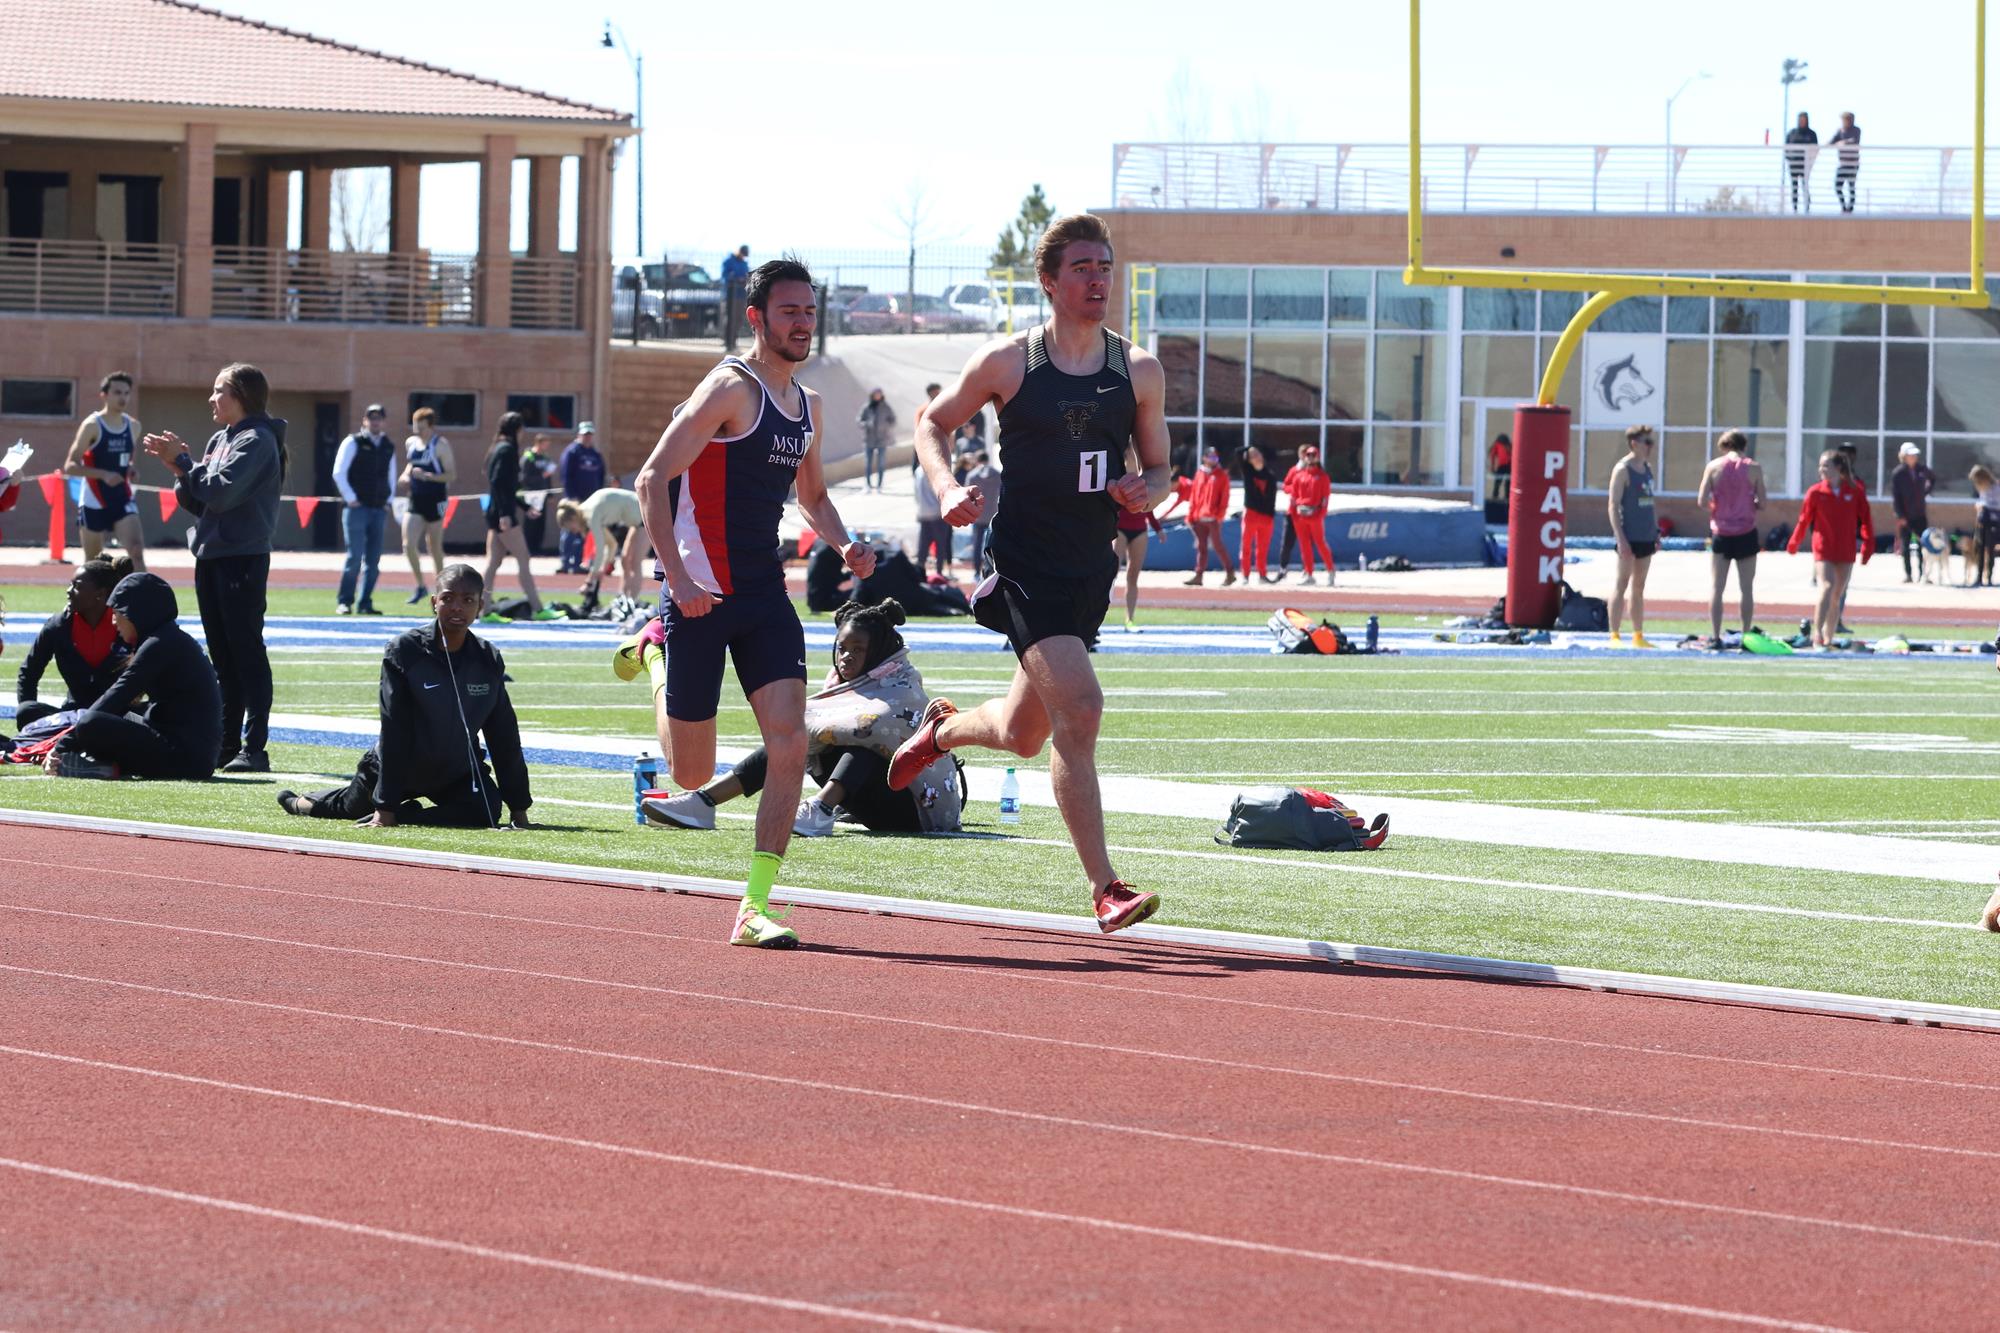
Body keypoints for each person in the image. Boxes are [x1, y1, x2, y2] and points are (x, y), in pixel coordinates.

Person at [886, 212, 1171, 935]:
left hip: (1087, 572)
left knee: (1019, 733)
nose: (1097, 278)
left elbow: (1161, 466)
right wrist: (948, 488)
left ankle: (943, 730)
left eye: (1105, 265)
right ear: (1048, 281)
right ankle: (1105, 885)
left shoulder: (1137, 370)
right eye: (1081, 267)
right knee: (1081, 710)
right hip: (1023, 565)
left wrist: (1148, 489)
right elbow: (930, 422)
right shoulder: (1009, 362)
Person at [631, 257, 876, 948]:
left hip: (765, 594)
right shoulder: (728, 388)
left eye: (808, 312)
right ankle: (654, 652)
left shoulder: (808, 406)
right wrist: (676, 581)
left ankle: (754, 905)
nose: (802, 323)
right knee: (689, 772)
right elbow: (653, 479)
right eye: (789, 311)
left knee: (791, 739)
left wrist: (847, 544)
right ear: (757, 318)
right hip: (701, 595)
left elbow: (814, 497)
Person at [646, 599, 958, 836]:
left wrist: (802, 728)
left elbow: (877, 723)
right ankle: (704, 802)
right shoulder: (841, 683)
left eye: (858, 650)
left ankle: (819, 810)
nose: (846, 656)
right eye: (842, 648)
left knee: (864, 738)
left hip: (912, 810)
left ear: (878, 652)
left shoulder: (902, 684)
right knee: (794, 738)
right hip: (868, 800)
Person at [277, 565, 532, 828]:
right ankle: (305, 803)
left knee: (484, 812)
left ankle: (408, 815)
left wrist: (519, 809)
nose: (457, 607)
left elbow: (504, 736)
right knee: (348, 808)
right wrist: (385, 807)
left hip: (455, 770)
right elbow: (394, 727)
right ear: (434, 602)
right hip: (397, 767)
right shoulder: (404, 650)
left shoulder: (487, 657)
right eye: (448, 598)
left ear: (480, 605)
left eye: (467, 600)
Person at [142, 362, 284, 774]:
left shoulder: (257, 439)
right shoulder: (222, 438)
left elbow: (220, 494)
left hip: (242, 557)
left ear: (241, 395)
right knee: (222, 656)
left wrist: (186, 463)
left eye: (219, 390)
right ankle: (226, 743)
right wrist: (180, 471)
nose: (211, 398)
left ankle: (254, 748)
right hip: (211, 554)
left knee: (246, 654)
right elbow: (200, 501)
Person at [43, 571, 221, 782]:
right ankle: (105, 766)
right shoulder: (167, 638)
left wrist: (62, 746)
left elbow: (118, 694)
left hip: (185, 757)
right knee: (118, 715)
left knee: (91, 723)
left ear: (137, 612)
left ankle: (101, 767)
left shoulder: (160, 643)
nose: (113, 621)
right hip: (191, 753)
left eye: (118, 612)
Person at [14, 556, 133, 729]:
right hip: (73, 716)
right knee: (27, 711)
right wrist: (30, 728)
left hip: (117, 716)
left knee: (150, 715)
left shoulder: (126, 624)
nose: (68, 591)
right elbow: (29, 672)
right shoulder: (58, 625)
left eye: (77, 586)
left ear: (100, 594)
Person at [1787, 449, 1873, 648]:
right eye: (1820, 466)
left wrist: (1868, 546)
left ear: (1839, 468)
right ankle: (1817, 633)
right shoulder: (1816, 492)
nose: (1822, 470)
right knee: (1826, 586)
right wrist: (1794, 542)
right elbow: (1804, 519)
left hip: (1845, 549)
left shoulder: (1855, 491)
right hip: (1824, 547)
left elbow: (1866, 520)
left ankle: (1829, 637)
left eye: (1826, 466)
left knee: (1837, 594)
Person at [65, 372, 147, 570]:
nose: (122, 398)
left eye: (126, 393)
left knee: (136, 551)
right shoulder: (92, 425)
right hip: (94, 499)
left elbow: (125, 460)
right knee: (94, 563)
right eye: (117, 392)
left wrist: (131, 470)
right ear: (104, 395)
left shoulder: (133, 426)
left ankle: (143, 599)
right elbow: (70, 466)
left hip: (122, 497)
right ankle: (93, 600)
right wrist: (103, 474)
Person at [1696, 429, 1767, 646]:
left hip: (1722, 532)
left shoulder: (1713, 466)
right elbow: (1762, 502)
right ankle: (1745, 636)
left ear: (1724, 446)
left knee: (1717, 587)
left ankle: (1716, 636)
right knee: (1746, 588)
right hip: (1746, 531)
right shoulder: (1753, 468)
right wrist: (1748, 505)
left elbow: (1701, 500)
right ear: (1743, 445)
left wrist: (1718, 508)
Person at [333, 402, 398, 615]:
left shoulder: (388, 445)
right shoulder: (353, 442)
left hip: (378, 508)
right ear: (365, 420)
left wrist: (389, 500)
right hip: (357, 509)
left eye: (378, 417)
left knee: (374, 560)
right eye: (371, 418)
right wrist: (351, 498)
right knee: (354, 557)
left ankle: (365, 602)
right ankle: (345, 601)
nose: (375, 421)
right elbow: (339, 472)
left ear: (383, 421)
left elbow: (391, 475)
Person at [482, 411, 543, 616]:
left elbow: (506, 488)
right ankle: (537, 608)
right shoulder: (506, 450)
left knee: (493, 563)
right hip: (502, 514)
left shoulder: (497, 448)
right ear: (517, 430)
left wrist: (525, 507)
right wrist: (505, 514)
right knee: (523, 558)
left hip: (496, 511)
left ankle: (485, 609)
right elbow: (498, 483)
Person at [1605, 424, 1659, 648]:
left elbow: (1650, 504)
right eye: (1647, 442)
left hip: (1646, 536)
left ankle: (1638, 635)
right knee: (1622, 584)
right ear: (1634, 443)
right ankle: (1615, 635)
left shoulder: (1647, 467)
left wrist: (1656, 532)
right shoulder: (1622, 469)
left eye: (1651, 442)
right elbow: (1613, 505)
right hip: (1628, 536)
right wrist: (1621, 538)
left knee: (1639, 587)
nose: (1650, 447)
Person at [555, 487, 652, 602]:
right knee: (625, 560)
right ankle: (623, 598)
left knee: (634, 561)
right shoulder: (589, 512)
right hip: (638, 520)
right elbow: (612, 545)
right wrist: (602, 568)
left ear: (573, 518)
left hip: (647, 514)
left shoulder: (591, 515)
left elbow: (600, 550)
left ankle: (632, 601)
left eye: (571, 528)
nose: (573, 532)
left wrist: (589, 580)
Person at [400, 406, 454, 604]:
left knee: (434, 546)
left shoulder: (441, 445)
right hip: (415, 498)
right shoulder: (411, 443)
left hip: (436, 499)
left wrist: (429, 476)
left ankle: (442, 589)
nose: (418, 432)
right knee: (408, 544)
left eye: (421, 428)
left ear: (431, 427)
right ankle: (420, 585)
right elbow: (411, 464)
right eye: (415, 427)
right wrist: (405, 476)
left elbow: (451, 475)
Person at [1166, 447, 1237, 587]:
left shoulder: (1221, 475)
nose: (1213, 460)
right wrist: (1191, 515)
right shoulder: (1199, 473)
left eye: (1215, 458)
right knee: (1201, 547)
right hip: (1199, 517)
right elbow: (1194, 496)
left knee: (1218, 546)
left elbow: (1224, 497)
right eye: (1210, 457)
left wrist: (1219, 515)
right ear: (1204, 458)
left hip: (1213, 518)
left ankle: (1230, 573)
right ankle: (1199, 575)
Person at [557, 422, 606, 573]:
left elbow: (601, 475)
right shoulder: (572, 452)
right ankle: (565, 563)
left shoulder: (595, 454)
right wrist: (571, 498)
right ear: (579, 434)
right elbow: (565, 476)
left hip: (590, 501)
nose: (587, 437)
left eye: (590, 434)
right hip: (574, 500)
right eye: (585, 434)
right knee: (569, 531)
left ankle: (579, 562)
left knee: (584, 532)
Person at [1284, 444, 1334, 586]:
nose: (1311, 458)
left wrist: (1320, 514)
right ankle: (1308, 573)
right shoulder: (1299, 476)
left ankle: (1330, 571)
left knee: (1320, 543)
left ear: (1317, 457)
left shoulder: (1323, 477)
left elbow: (1325, 498)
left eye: (1313, 455)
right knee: (1304, 545)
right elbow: (1293, 496)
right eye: (1308, 455)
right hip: (1300, 515)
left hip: (1315, 514)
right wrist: (1294, 514)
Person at [1890, 442, 1935, 582]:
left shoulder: (1922, 470)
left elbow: (1932, 479)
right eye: (1910, 455)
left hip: (1920, 513)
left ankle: (1924, 574)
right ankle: (1908, 574)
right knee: (1906, 545)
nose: (1913, 457)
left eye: (1915, 455)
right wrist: (1900, 515)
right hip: (1905, 514)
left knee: (1924, 544)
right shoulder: (1898, 473)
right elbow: (1895, 496)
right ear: (1904, 456)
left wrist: (1925, 492)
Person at [1237, 444, 1279, 583]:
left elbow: (1272, 498)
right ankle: (1245, 575)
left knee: (1262, 548)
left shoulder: (1270, 475)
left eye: (1257, 453)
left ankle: (1262, 574)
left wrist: (1270, 515)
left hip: (1266, 516)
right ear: (1248, 459)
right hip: (1251, 513)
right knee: (1246, 546)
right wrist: (1249, 449)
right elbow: (1238, 453)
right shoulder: (1248, 471)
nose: (1256, 456)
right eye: (1252, 455)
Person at [911, 454, 953, 578]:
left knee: (923, 546)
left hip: (923, 512)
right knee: (941, 545)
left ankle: (919, 574)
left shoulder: (918, 471)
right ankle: (939, 573)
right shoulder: (934, 471)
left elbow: (916, 494)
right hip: (937, 513)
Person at [963, 447, 1002, 572]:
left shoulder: (972, 475)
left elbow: (967, 496)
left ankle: (976, 570)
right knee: (994, 544)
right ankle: (994, 569)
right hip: (993, 513)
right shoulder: (997, 474)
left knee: (977, 544)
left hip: (977, 514)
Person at [520, 432, 558, 556]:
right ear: (538, 443)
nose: (547, 446)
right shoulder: (529, 457)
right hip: (531, 493)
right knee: (531, 521)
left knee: (540, 521)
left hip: (542, 494)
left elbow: (548, 478)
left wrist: (550, 494)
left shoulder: (545, 458)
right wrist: (541, 476)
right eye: (545, 443)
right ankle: (527, 548)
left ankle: (537, 547)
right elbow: (523, 477)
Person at [858, 387, 896, 492]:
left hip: (882, 440)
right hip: (869, 440)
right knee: (868, 463)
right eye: (876, 394)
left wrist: (885, 426)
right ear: (872, 395)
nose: (878, 395)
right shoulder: (867, 407)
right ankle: (868, 485)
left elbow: (893, 420)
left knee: (881, 463)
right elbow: (859, 420)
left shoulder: (885, 407)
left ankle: (879, 485)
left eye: (880, 393)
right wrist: (866, 425)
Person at [1971, 464, 2000, 587]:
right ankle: (1978, 576)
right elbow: (1982, 500)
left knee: (1990, 548)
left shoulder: (1996, 487)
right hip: (1983, 521)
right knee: (1980, 548)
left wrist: (1987, 506)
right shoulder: (1982, 488)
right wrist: (1979, 505)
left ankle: (1989, 576)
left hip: (1994, 521)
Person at [1829, 111, 1862, 214]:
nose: (1845, 122)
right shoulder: (1840, 131)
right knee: (1837, 186)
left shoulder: (1856, 130)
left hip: (1853, 163)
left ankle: (1850, 208)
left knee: (1851, 186)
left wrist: (1843, 142)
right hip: (1842, 163)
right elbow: (1831, 142)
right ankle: (1844, 206)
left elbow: (1854, 140)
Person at [1785, 112, 1818, 213]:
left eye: (1804, 119)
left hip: (1805, 165)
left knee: (1805, 186)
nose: (1802, 121)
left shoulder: (1812, 134)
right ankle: (1795, 209)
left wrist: (1810, 162)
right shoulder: (1792, 133)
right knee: (1794, 187)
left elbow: (1815, 149)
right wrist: (1790, 159)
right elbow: (1786, 148)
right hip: (1793, 164)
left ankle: (1807, 209)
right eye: (1801, 119)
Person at [720, 245, 751, 352]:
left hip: (740, 295)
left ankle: (734, 341)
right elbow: (725, 277)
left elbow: (747, 276)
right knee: (729, 318)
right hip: (729, 295)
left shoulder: (744, 263)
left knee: (738, 319)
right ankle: (727, 342)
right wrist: (736, 279)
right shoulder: (728, 261)